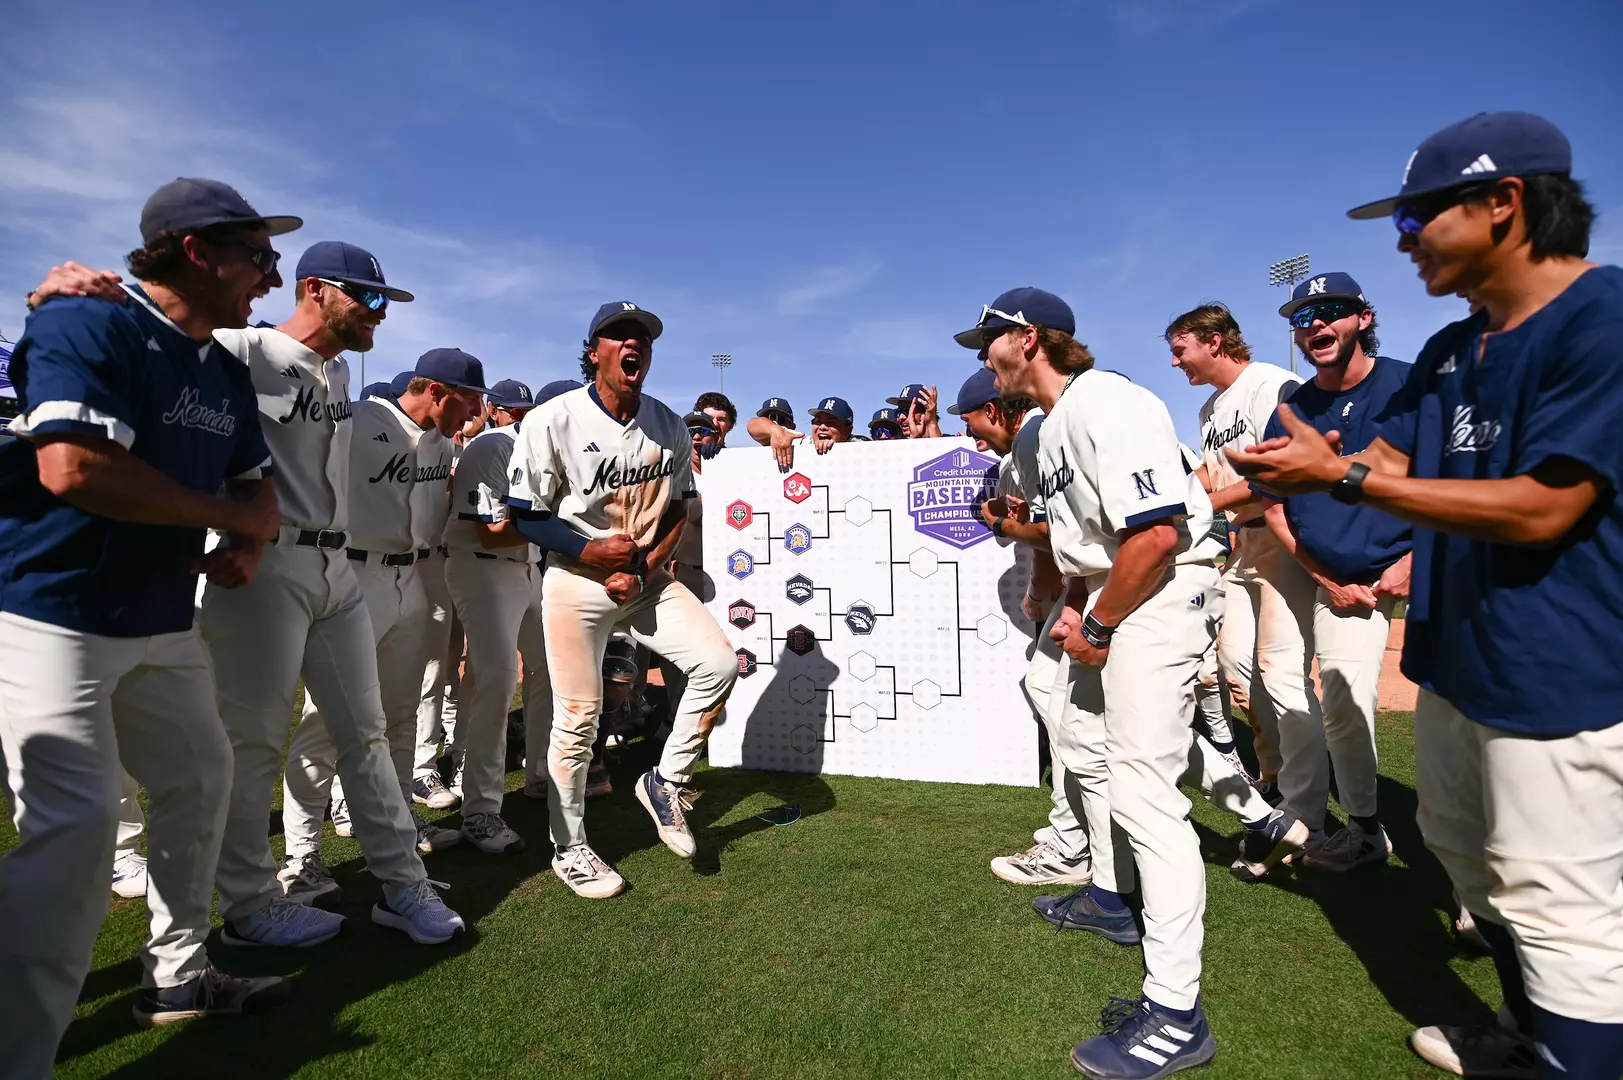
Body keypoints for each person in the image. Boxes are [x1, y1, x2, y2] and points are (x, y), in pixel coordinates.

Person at [1231, 110, 1623, 1080]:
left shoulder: (1603, 317)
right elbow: (1378, 453)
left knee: (1562, 908)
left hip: (1563, 671)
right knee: (1473, 867)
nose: (1404, 241)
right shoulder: (1455, 348)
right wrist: (1269, 473)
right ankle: (1528, 1041)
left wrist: (1346, 480)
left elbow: (1543, 507)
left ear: (1504, 204)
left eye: (1421, 217)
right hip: (1457, 656)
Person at [30, 239, 474, 946]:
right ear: (317, 290)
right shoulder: (242, 347)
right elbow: (151, 340)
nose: (380, 315)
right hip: (264, 567)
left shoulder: (335, 374)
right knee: (254, 743)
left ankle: (401, 887)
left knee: (362, 734)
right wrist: (74, 291)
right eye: (370, 298)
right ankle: (250, 905)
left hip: (337, 574)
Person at [0, 178, 293, 1070]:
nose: (269, 279)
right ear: (195, 249)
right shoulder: (87, 320)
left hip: (162, 620)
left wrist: (248, 533)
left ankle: (177, 975)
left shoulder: (222, 365)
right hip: (52, 614)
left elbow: (257, 483)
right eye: (257, 255)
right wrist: (232, 517)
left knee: (203, 782)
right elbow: (73, 470)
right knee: (78, 835)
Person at [960, 286, 1223, 1077]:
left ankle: (1177, 1014)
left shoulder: (1110, 400)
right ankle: (1111, 898)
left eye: (990, 342)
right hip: (1116, 596)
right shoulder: (1047, 427)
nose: (980, 358)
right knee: (1079, 739)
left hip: (1161, 593)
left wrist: (1098, 624)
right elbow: (1090, 545)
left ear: (1031, 340)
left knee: (1146, 791)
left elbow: (1157, 536)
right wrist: (1079, 608)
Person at [506, 301, 739, 899]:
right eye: (618, 338)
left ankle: (665, 779)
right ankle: (570, 846)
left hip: (643, 580)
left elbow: (681, 510)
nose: (633, 346)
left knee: (717, 664)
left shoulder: (667, 424)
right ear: (594, 352)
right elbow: (525, 515)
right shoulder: (552, 420)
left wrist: (645, 568)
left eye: (643, 339)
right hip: (575, 580)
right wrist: (593, 555)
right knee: (578, 719)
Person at [276, 350, 469, 906]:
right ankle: (300, 856)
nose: (475, 411)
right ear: (432, 389)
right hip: (353, 573)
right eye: (467, 398)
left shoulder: (442, 442)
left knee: (403, 714)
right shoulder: (358, 420)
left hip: (413, 580)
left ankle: (397, 824)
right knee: (327, 723)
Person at [1255, 271, 1413, 872]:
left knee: (1474, 713)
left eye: (1333, 311)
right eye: (1303, 317)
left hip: (1435, 565)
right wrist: (1324, 578)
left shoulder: (1411, 384)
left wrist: (1415, 558)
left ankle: (1486, 884)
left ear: (1363, 319)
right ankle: (1367, 830)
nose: (1317, 324)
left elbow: (1462, 477)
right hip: (1342, 582)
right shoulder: (1292, 410)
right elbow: (1273, 505)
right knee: (1343, 701)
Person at [1168, 303, 1316, 832]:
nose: (1174, 362)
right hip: (1242, 547)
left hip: (1282, 538)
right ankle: (1274, 775)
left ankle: (1309, 806)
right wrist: (1171, 503)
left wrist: (1202, 506)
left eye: (1179, 349)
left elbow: (1284, 469)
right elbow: (1208, 478)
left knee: (1281, 675)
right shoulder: (1210, 410)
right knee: (1235, 672)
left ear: (1213, 340)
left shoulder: (1272, 383)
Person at [951, 368, 1091, 886]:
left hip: (1124, 580)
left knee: (1086, 713)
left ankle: (1076, 842)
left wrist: (1004, 526)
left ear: (993, 410)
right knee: (1063, 699)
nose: (969, 435)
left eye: (970, 422)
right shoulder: (1031, 440)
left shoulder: (1034, 435)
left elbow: (1056, 533)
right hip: (1100, 579)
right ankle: (1072, 829)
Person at [442, 376, 548, 855]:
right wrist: (565, 528)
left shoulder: (547, 450)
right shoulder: (492, 446)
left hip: (526, 569)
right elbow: (492, 533)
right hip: (482, 569)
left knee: (549, 668)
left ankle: (541, 774)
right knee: (499, 680)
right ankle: (480, 809)